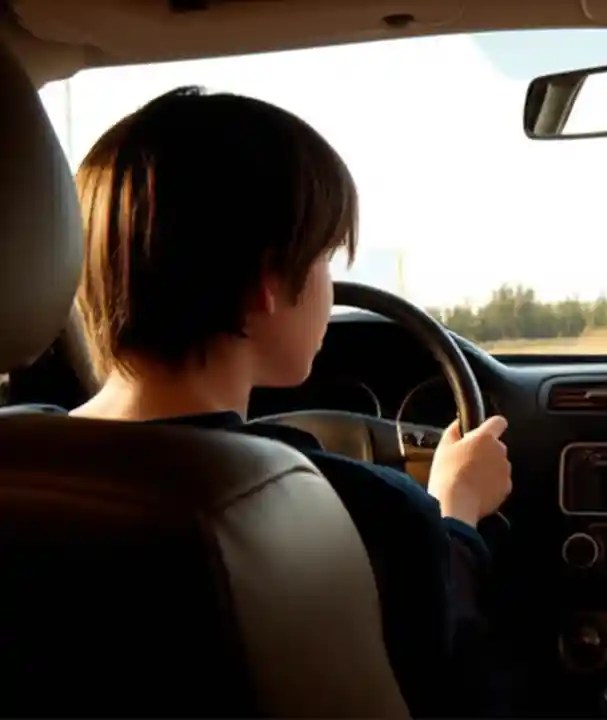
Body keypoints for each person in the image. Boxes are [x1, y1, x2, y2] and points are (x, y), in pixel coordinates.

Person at [69, 86, 512, 717]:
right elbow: (452, 683)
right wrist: (457, 508)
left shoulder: (21, 466)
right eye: (326, 257)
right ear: (269, 282)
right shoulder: (363, 513)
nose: (331, 285)